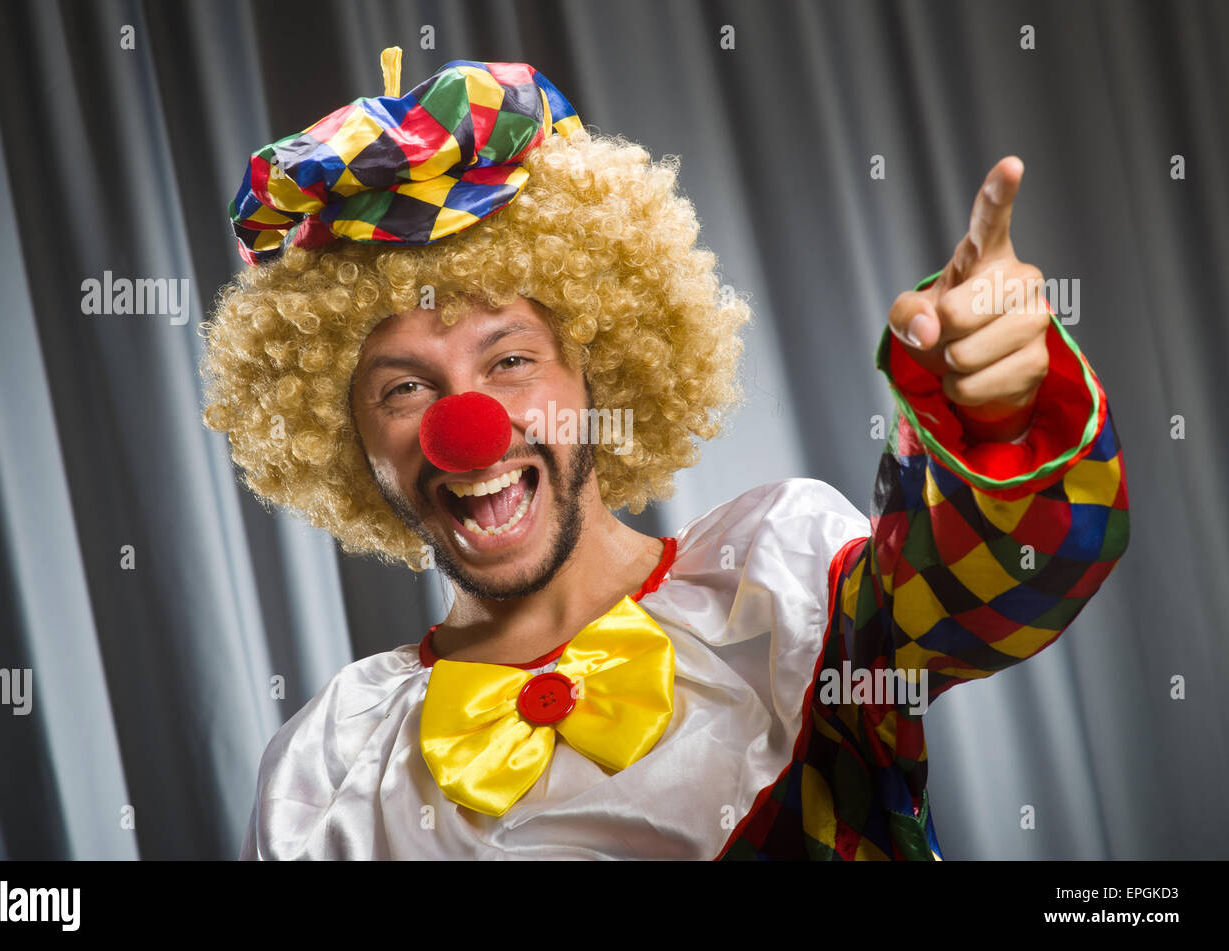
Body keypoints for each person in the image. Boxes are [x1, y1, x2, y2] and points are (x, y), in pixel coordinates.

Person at [201, 50, 1129, 859]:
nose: (466, 425)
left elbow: (998, 588)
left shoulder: (782, 584)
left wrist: (999, 414)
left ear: (598, 367)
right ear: (345, 436)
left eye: (511, 359)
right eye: (404, 388)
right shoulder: (329, 770)